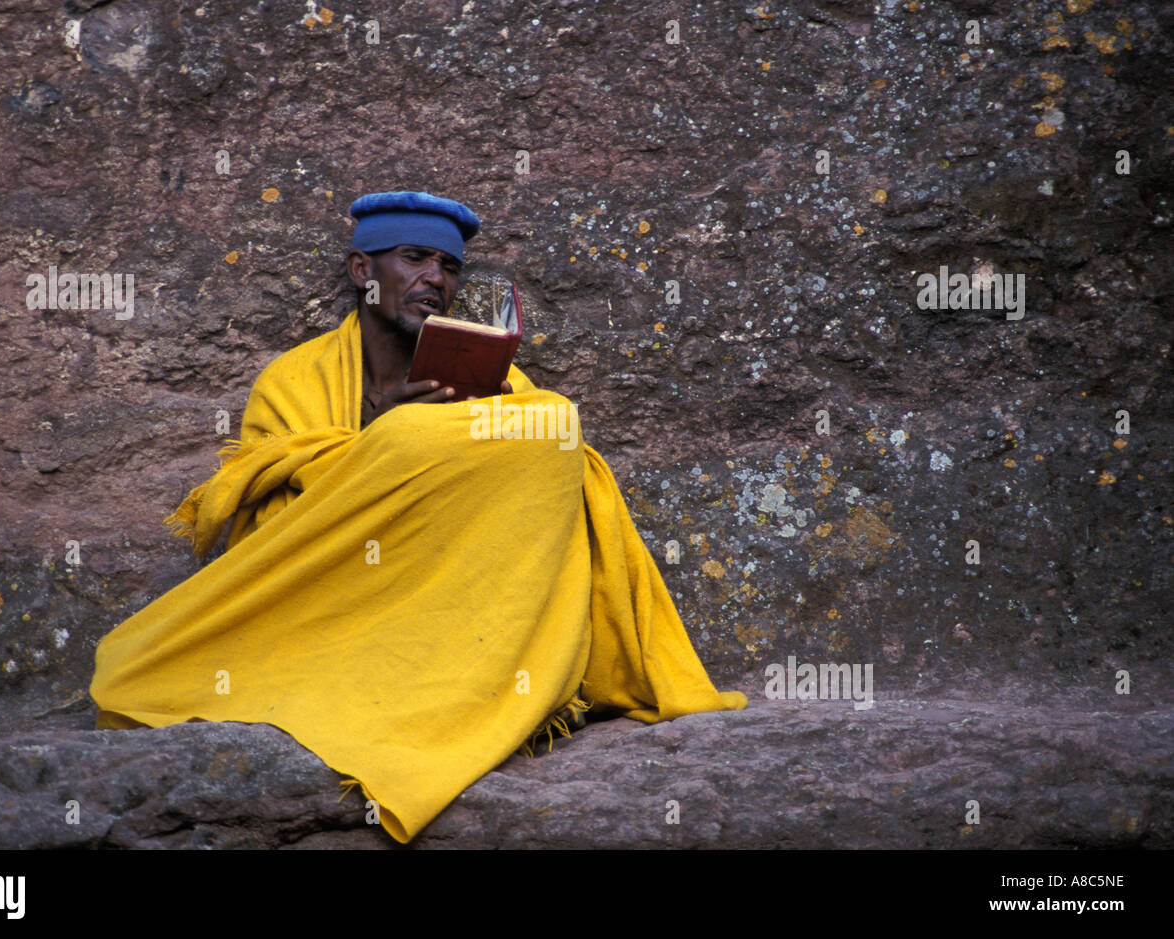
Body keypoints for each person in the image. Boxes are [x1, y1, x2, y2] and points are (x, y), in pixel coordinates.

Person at [90, 191, 746, 844]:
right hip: (333, 607)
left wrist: (448, 447)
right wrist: (385, 438)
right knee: (136, 671)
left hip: (458, 614)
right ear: (362, 272)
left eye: (450, 266)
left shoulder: (496, 387)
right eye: (414, 257)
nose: (436, 277)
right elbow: (272, 532)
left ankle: (469, 691)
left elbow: (531, 499)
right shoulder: (291, 383)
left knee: (554, 423)